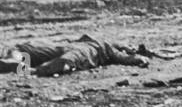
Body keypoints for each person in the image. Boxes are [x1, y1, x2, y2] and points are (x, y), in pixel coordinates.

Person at [0, 35, 149, 77]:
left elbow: (119, 55)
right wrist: (38, 71)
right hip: (22, 52)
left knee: (19, 62)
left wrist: (134, 57)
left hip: (27, 50)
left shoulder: (94, 46)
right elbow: (65, 60)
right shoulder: (93, 49)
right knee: (20, 67)